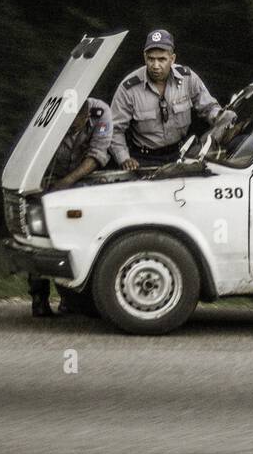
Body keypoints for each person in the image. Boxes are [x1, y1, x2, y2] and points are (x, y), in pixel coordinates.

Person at [28, 98, 112, 317]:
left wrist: (67, 182)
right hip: (48, 177)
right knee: (41, 239)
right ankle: (39, 297)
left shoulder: (100, 112)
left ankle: (70, 298)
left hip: (83, 180)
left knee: (74, 237)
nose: (71, 125)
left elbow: (97, 155)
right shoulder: (51, 111)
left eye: (76, 120)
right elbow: (37, 149)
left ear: (85, 114)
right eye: (68, 120)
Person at [110, 29, 226, 169]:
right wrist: (124, 158)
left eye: (162, 59)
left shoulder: (187, 78)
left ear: (172, 59)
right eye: (151, 59)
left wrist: (220, 118)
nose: (155, 65)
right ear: (144, 57)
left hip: (181, 154)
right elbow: (114, 129)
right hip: (145, 159)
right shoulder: (129, 88)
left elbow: (208, 108)